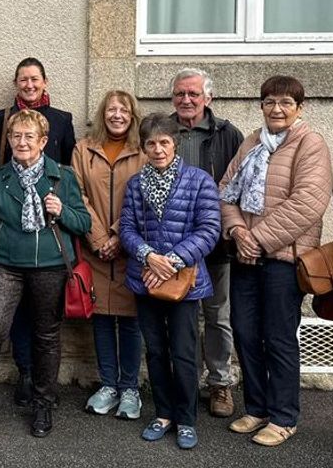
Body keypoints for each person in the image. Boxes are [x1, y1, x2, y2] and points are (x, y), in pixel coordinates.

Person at [0, 109, 91, 438]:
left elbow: (84, 223)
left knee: (46, 335)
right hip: (5, 264)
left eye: (29, 136)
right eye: (16, 136)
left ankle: (43, 401)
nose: (22, 142)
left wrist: (63, 211)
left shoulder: (62, 177)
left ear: (43, 141)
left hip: (51, 267)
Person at [219, 75, 333, 447]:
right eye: (270, 102)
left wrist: (258, 239)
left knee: (279, 337)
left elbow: (307, 203)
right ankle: (257, 407)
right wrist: (238, 234)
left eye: (286, 102)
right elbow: (225, 193)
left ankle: (284, 416)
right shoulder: (251, 142)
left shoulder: (310, 144)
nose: (277, 109)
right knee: (246, 332)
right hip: (246, 256)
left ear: (300, 108)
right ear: (261, 106)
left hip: (284, 258)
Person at [118, 113, 220, 451]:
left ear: (175, 143)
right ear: (143, 147)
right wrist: (148, 256)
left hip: (185, 283)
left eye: (164, 142)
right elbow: (128, 229)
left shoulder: (199, 180)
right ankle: (163, 413)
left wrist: (172, 262)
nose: (158, 149)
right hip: (145, 280)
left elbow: (208, 230)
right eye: (151, 143)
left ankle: (186, 418)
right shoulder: (135, 184)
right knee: (157, 351)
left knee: (184, 352)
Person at [0, 57, 76, 405]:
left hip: (48, 237)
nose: (29, 84)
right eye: (23, 79)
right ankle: (24, 372)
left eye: (35, 79)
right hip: (10, 229)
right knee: (15, 315)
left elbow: (69, 167)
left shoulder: (62, 120)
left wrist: (62, 208)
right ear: (16, 83)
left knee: (45, 320)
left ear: (45, 82)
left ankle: (42, 382)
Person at [169, 67, 243, 418]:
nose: (186, 100)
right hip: (170, 243)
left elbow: (241, 186)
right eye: (180, 94)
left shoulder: (228, 135)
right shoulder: (161, 129)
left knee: (216, 315)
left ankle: (219, 383)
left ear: (207, 98)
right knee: (179, 316)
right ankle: (183, 382)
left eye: (193, 94)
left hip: (213, 244)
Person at [72, 90, 145, 420]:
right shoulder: (84, 149)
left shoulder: (144, 149)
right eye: (111, 110)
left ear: (132, 115)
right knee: (101, 318)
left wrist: (119, 234)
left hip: (132, 249)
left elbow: (146, 197)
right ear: (102, 114)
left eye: (124, 110)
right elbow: (77, 195)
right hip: (95, 250)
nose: (117, 115)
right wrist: (100, 238)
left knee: (130, 321)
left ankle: (130, 388)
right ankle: (108, 385)